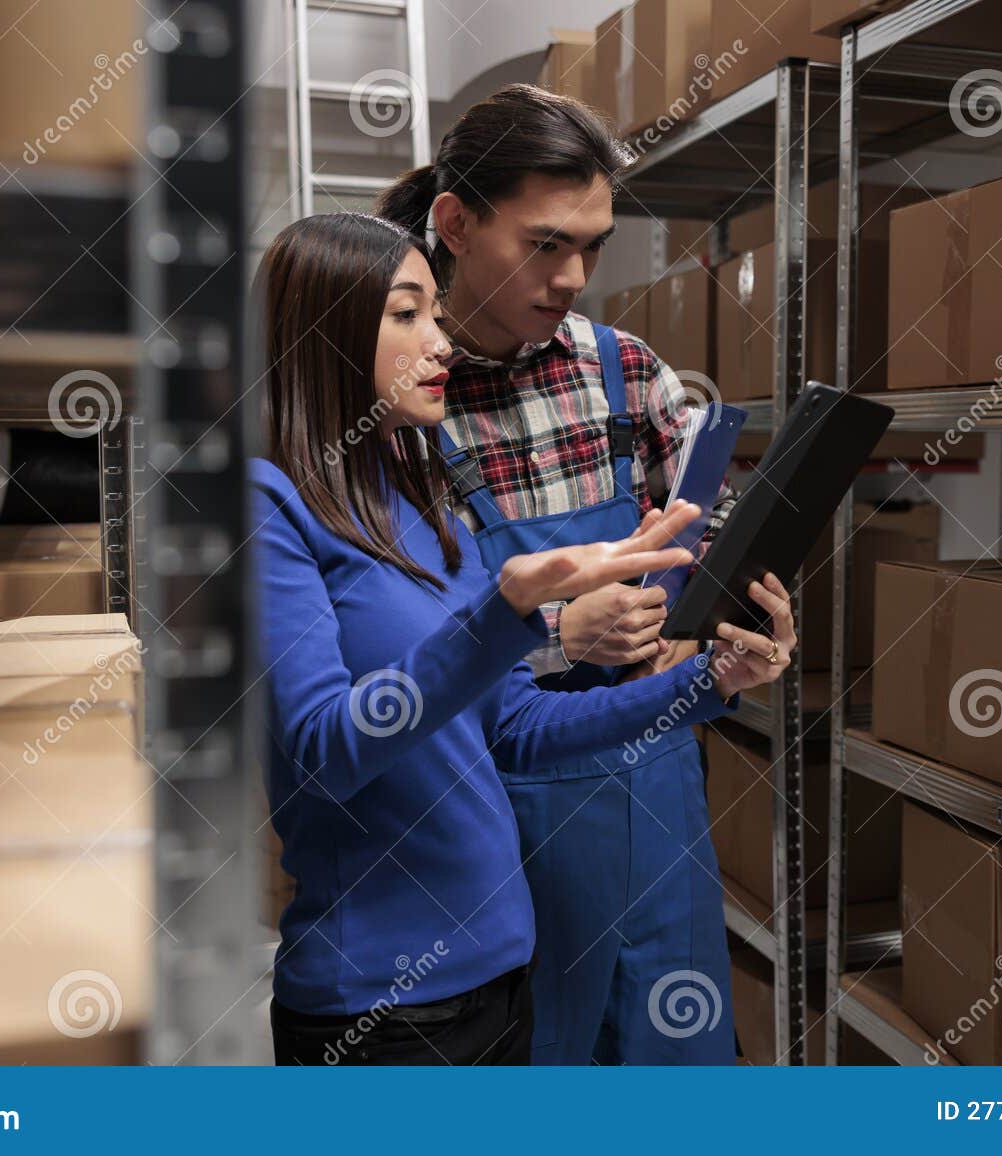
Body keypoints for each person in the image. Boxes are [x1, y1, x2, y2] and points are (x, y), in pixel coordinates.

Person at [253, 213, 795, 1065]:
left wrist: (713, 679)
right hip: (382, 1005)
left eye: (435, 315)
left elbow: (518, 726)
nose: (440, 343)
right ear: (323, 331)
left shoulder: (417, 501)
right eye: (407, 315)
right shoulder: (269, 507)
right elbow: (325, 753)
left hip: (502, 971)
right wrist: (505, 613)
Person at [377, 84, 774, 1065]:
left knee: (675, 1057)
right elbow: (387, 662)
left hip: (654, 780)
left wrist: (706, 619)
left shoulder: (621, 370)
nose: (573, 277)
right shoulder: (398, 403)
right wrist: (559, 638)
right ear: (455, 224)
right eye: (545, 244)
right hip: (492, 805)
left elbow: (712, 522)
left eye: (592, 246)